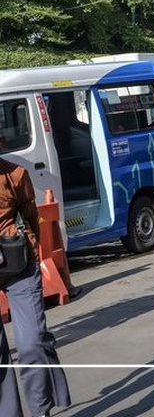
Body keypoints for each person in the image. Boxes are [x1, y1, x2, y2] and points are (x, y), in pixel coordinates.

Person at [0, 157, 72, 417]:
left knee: (32, 341)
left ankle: (41, 408)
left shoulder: (15, 173)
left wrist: (31, 252)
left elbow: (31, 217)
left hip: (19, 264)